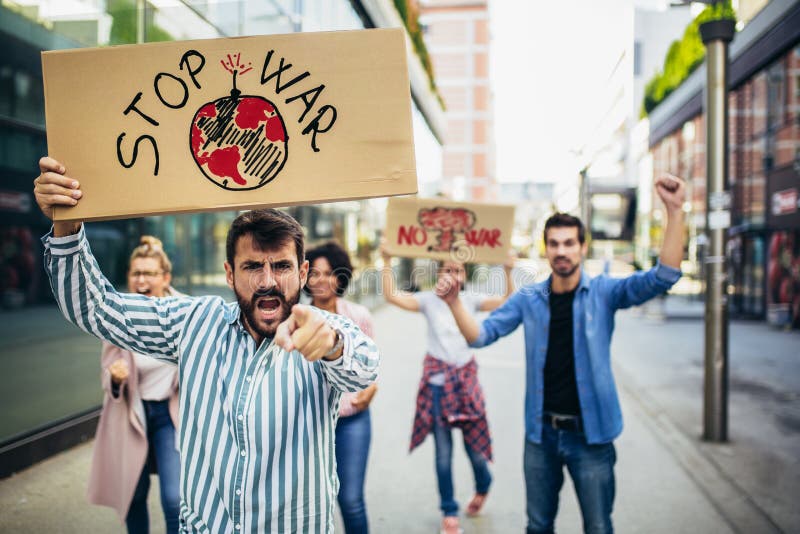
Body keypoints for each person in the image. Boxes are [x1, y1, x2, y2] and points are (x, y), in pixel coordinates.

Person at [34, 156, 379, 533]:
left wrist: (332, 344)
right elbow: (96, 308)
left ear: (303, 272)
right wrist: (66, 228)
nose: (267, 282)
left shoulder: (323, 327)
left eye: (281, 266)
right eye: (252, 267)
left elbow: (364, 366)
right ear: (230, 273)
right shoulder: (193, 322)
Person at [438, 174, 687, 534]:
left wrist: (675, 211)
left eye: (569, 243)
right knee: (538, 526)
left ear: (582, 248)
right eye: (554, 244)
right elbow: (480, 336)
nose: (562, 251)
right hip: (541, 436)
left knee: (598, 527)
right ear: (546, 249)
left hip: (593, 436)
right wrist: (453, 301)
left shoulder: (604, 292)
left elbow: (664, 277)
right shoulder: (529, 298)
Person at [381, 243, 514, 534]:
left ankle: (484, 484)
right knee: (443, 454)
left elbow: (507, 300)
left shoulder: (472, 300)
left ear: (464, 275)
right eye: (447, 270)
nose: (452, 276)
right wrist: (387, 259)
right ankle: (449, 511)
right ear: (438, 274)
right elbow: (391, 296)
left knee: (475, 451)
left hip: (466, 385)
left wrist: (508, 270)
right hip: (438, 389)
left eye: (458, 270)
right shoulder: (428, 300)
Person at [88, 236, 181, 533]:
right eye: (135, 273)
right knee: (133, 494)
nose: (141, 280)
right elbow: (107, 375)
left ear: (166, 278)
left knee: (175, 498)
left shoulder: (183, 313)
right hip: (132, 414)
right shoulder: (119, 317)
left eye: (149, 273)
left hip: (171, 415)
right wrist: (115, 379)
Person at [304, 242, 376, 534]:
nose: (321, 280)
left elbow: (370, 367)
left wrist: (372, 389)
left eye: (329, 273)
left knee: (351, 500)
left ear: (341, 277)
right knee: (312, 501)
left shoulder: (358, 316)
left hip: (352, 420)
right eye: (315, 274)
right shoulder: (296, 318)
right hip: (311, 423)